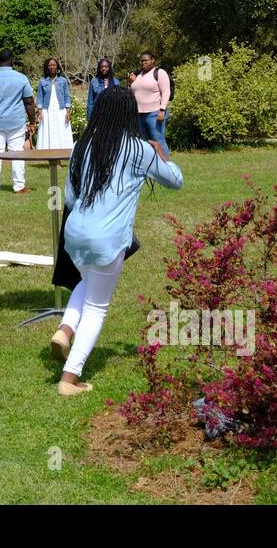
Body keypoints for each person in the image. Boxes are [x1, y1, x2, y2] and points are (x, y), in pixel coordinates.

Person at [50, 85, 183, 395]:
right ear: (129, 114)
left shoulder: (81, 145)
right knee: (97, 307)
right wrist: (163, 154)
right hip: (107, 239)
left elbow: (69, 196)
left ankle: (66, 329)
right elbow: (175, 181)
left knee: (87, 283)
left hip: (75, 233)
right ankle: (70, 379)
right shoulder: (139, 150)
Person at [0, 50, 36, 194]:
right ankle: (19, 186)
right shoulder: (21, 78)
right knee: (17, 153)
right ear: (12, 60)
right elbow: (29, 102)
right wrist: (32, 122)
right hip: (16, 122)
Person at [127, 51, 171, 156]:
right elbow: (134, 92)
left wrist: (162, 110)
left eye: (146, 60)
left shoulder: (159, 72)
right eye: (142, 61)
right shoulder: (138, 75)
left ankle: (167, 167)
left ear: (153, 60)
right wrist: (131, 82)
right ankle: (150, 167)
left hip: (154, 113)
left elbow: (166, 92)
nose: (143, 63)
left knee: (158, 140)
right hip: (139, 114)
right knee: (144, 142)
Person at [35, 57, 74, 150]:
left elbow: (67, 97)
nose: (52, 67)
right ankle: (49, 155)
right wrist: (40, 113)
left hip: (60, 109)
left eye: (54, 65)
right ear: (47, 67)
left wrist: (68, 112)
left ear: (57, 67)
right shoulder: (42, 81)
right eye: (50, 65)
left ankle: (61, 154)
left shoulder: (63, 80)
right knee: (48, 130)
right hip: (46, 110)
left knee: (61, 130)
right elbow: (40, 97)